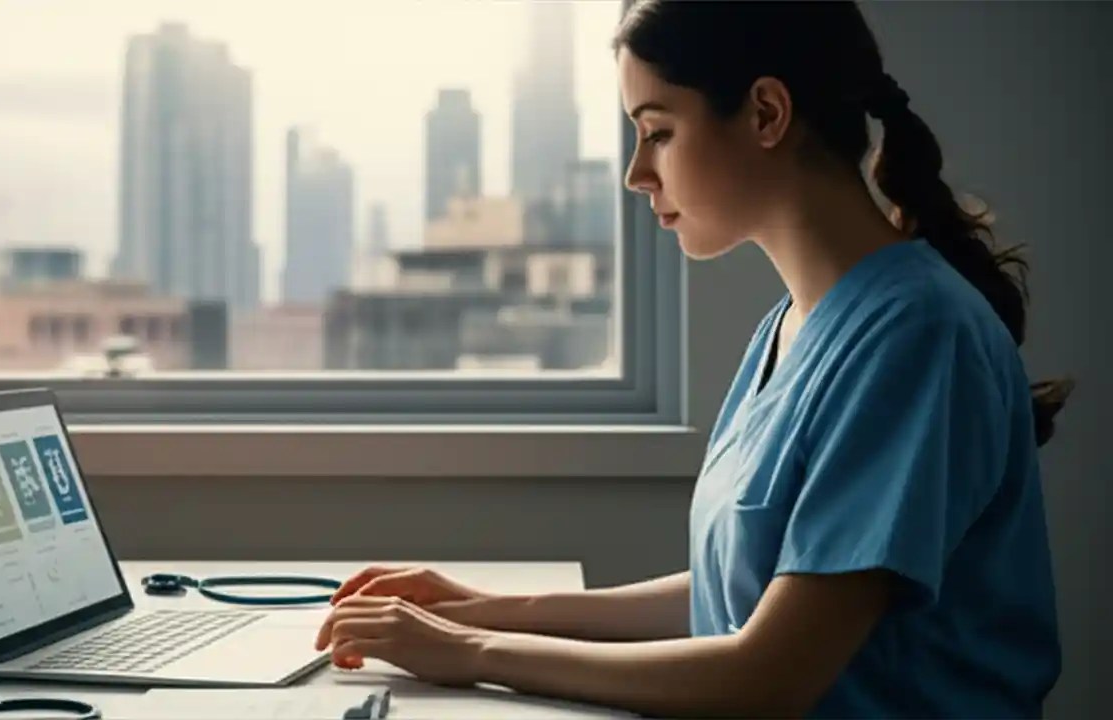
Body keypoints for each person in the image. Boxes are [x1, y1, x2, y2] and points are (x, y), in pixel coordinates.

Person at [314, 1, 1074, 717]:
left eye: (659, 131)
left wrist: (472, 650)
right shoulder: (796, 326)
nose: (637, 173)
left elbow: (766, 676)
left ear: (767, 113)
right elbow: (740, 595)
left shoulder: (916, 337)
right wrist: (478, 609)